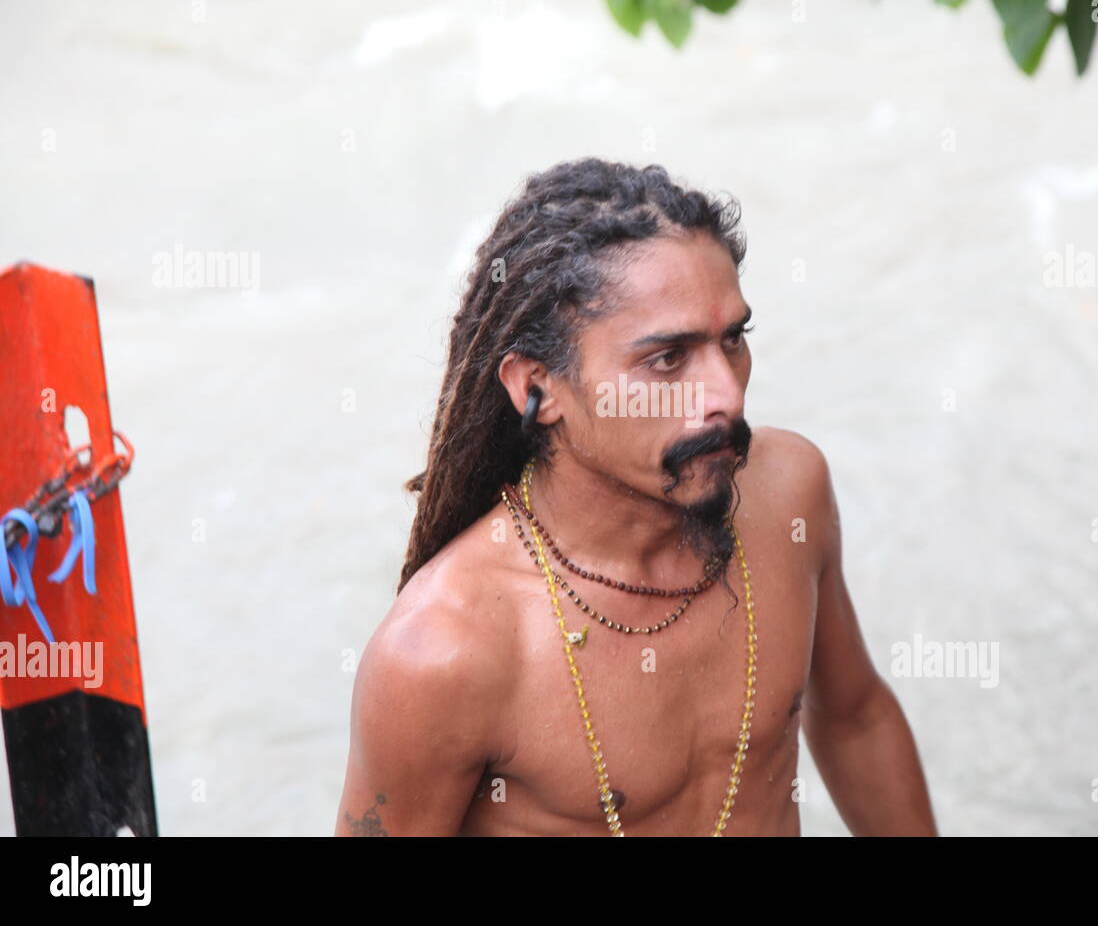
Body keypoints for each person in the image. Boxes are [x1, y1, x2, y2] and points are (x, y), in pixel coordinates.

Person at [335, 157, 937, 836]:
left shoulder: (787, 495)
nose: (726, 396)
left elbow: (855, 718)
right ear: (538, 388)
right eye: (667, 359)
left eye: (733, 339)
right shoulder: (444, 654)